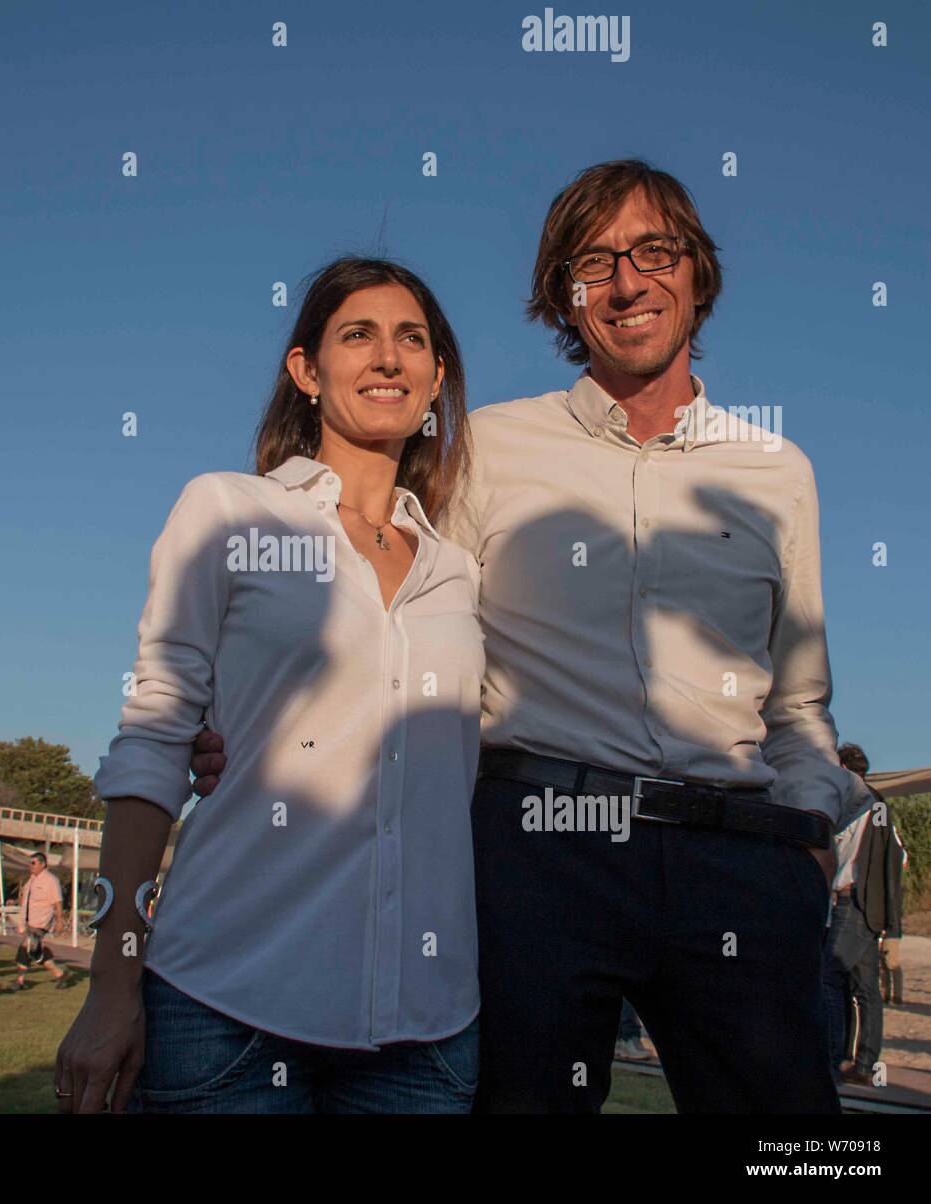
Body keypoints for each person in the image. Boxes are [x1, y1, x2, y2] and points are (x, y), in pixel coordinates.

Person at [191, 161, 872, 1114]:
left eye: (653, 252)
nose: (627, 282)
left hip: (739, 865)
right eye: (593, 264)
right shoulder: (489, 449)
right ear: (564, 296)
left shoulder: (778, 471)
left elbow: (800, 703)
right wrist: (239, 717)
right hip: (539, 853)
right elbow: (397, 623)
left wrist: (798, 846)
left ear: (696, 273)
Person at [56, 257, 482, 1114]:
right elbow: (154, 741)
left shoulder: (463, 572)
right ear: (306, 371)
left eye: (412, 340)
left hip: (427, 1034)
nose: (388, 359)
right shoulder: (227, 510)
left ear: (437, 378)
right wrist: (112, 986)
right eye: (357, 335)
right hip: (224, 1008)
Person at [824, 742, 906, 1084]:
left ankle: (833, 1061)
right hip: (851, 904)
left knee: (829, 976)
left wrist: (894, 926)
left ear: (843, 769)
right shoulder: (857, 805)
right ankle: (862, 1063)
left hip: (856, 903)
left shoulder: (872, 807)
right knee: (864, 988)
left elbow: (892, 862)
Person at [12, 853, 67, 991]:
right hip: (28, 922)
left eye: (33, 863)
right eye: (30, 863)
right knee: (35, 953)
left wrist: (60, 921)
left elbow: (58, 902)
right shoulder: (31, 880)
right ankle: (60, 974)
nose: (30, 866)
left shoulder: (50, 881)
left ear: (42, 864)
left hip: (41, 923)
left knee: (25, 947)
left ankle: (19, 981)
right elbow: (26, 900)